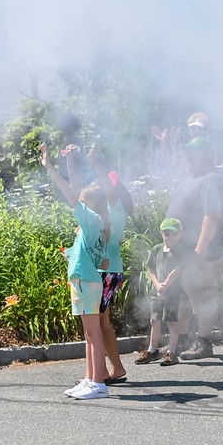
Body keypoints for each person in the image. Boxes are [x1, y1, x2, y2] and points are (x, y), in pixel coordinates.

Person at [42, 144, 111, 400]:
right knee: (89, 333)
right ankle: (91, 379)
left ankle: (98, 383)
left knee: (93, 333)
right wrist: (69, 160)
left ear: (90, 204)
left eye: (83, 202)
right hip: (85, 280)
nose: (77, 205)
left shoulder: (92, 220)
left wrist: (50, 168)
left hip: (87, 282)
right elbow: (77, 189)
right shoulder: (95, 222)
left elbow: (71, 193)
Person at [167, 137, 223, 360]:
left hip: (203, 254)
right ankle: (183, 341)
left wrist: (200, 251)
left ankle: (203, 342)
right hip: (184, 254)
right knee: (183, 297)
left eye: (193, 153)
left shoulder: (210, 178)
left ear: (207, 155)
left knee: (203, 297)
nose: (187, 157)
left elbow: (211, 215)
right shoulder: (190, 180)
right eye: (186, 152)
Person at [88, 150, 133, 384]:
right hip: (108, 270)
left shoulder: (114, 205)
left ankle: (102, 372)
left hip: (107, 271)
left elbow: (106, 183)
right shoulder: (108, 209)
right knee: (102, 322)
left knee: (95, 322)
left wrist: (96, 162)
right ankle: (114, 369)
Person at [136, 218, 189, 367]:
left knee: (172, 322)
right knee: (155, 321)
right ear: (162, 234)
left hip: (173, 293)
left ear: (179, 235)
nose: (170, 237)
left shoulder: (180, 251)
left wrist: (165, 285)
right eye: (167, 234)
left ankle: (171, 352)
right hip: (157, 291)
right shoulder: (156, 249)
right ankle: (152, 350)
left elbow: (177, 270)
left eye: (174, 234)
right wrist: (157, 285)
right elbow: (151, 268)